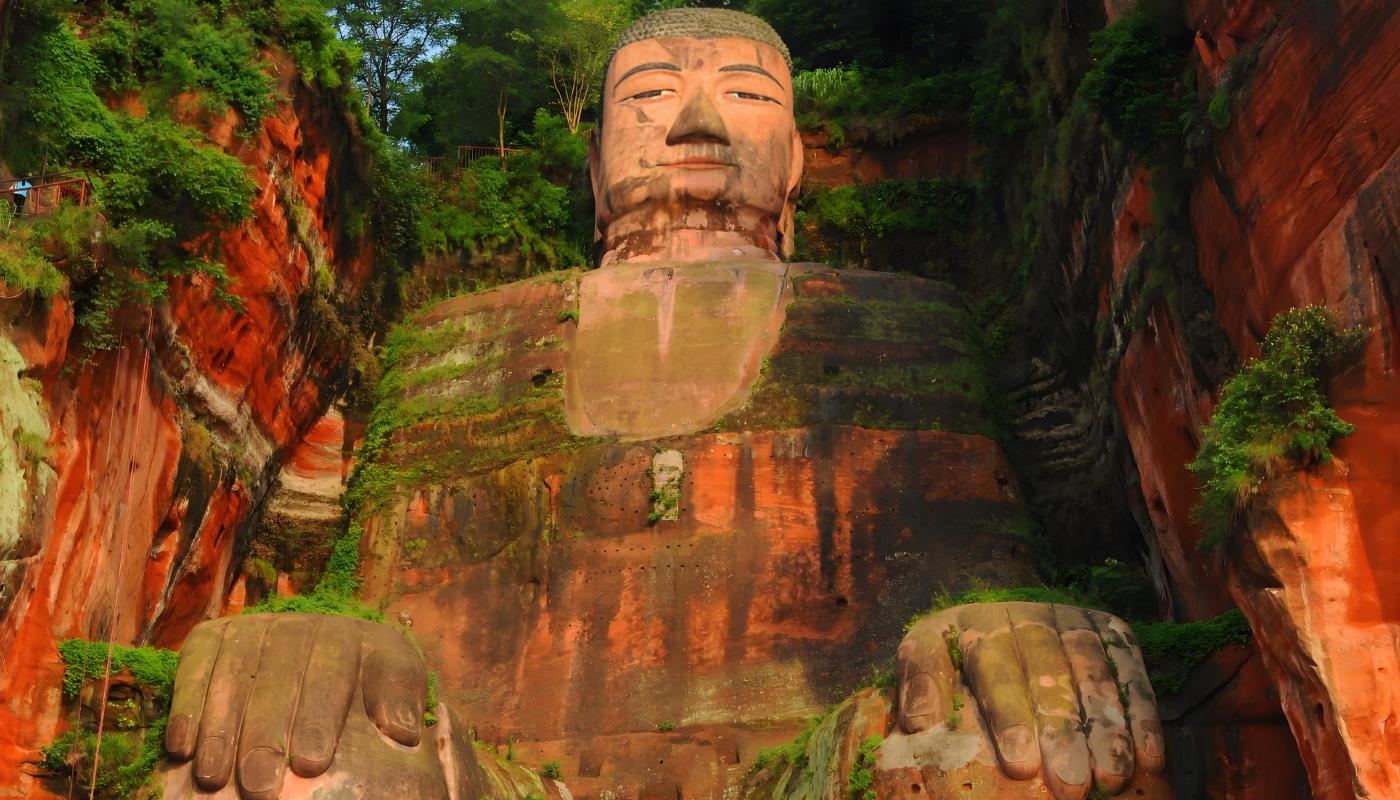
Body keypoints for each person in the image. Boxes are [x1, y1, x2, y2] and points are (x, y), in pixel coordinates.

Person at [158, 10, 1169, 800]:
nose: (696, 123)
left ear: (798, 165)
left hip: (827, 762)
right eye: (648, 96)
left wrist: (1013, 630)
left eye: (742, 94)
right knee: (296, 753)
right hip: (491, 774)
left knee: (1004, 740)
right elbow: (381, 630)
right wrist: (316, 639)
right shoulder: (455, 342)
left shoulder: (900, 323)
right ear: (595, 169)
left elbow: (971, 600)